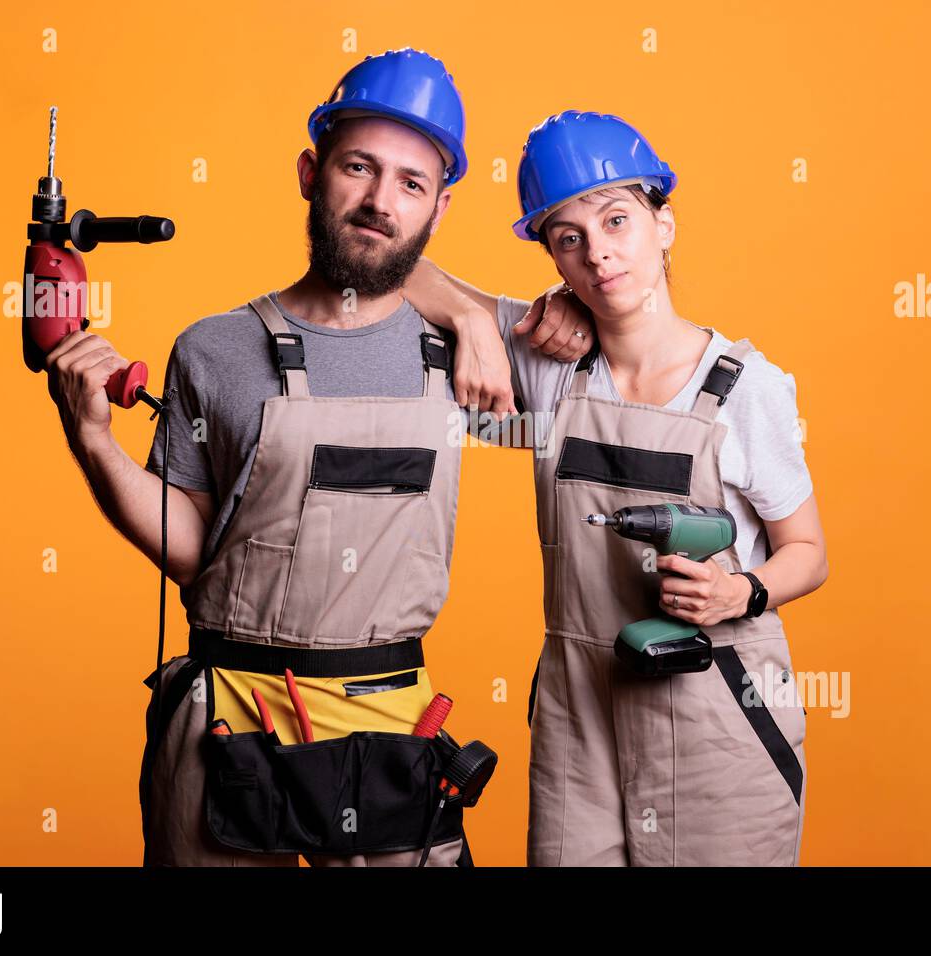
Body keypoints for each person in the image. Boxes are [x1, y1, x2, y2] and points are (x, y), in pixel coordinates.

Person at [43, 49, 575, 867]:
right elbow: (192, 546)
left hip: (387, 732)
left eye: (410, 183)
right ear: (309, 172)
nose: (378, 201)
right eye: (358, 167)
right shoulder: (214, 350)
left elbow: (629, 345)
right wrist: (94, 442)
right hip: (229, 719)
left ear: (437, 210)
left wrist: (500, 315)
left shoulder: (475, 362)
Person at [405, 110, 829, 866]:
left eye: (617, 220)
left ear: (665, 225)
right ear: (554, 259)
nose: (599, 252)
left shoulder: (744, 388)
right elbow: (388, 262)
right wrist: (475, 321)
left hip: (718, 715)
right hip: (581, 720)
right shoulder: (545, 364)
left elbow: (809, 551)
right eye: (568, 237)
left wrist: (744, 593)